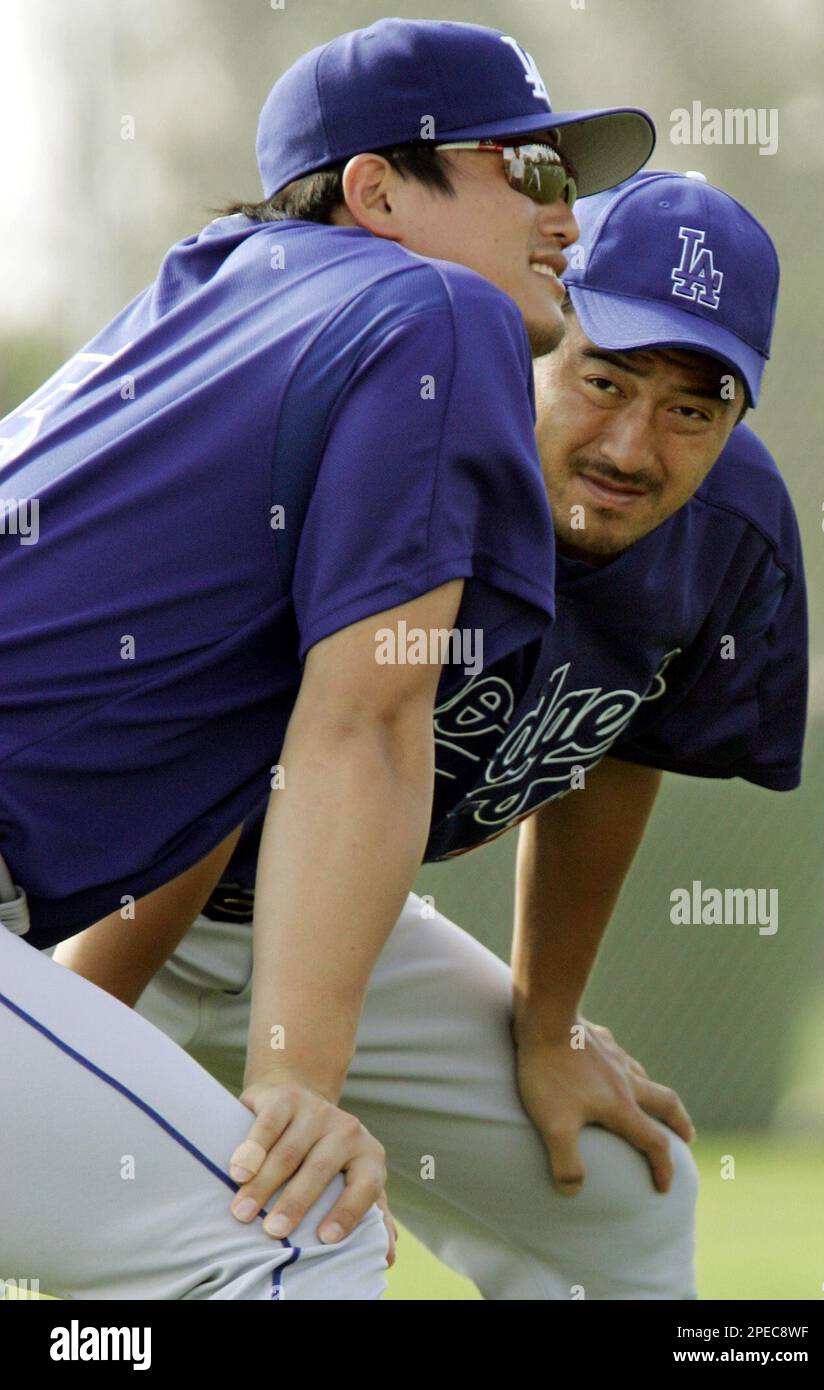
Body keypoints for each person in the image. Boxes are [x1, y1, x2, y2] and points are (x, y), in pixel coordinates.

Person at [60, 171, 806, 1300]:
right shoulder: (409, 444)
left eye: (692, 409)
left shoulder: (729, 530)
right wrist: (91, 1041)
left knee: (618, 1196)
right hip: (105, 893)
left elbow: (616, 750)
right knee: (282, 1235)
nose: (633, 444)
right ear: (535, 336)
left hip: (326, 925)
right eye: (604, 379)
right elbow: (224, 762)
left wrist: (547, 1029)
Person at [0, 19, 655, 1300]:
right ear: (375, 190)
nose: (567, 219)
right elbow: (363, 721)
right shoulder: (433, 307)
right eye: (524, 171)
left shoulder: (190, 308)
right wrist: (294, 1083)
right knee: (307, 1235)